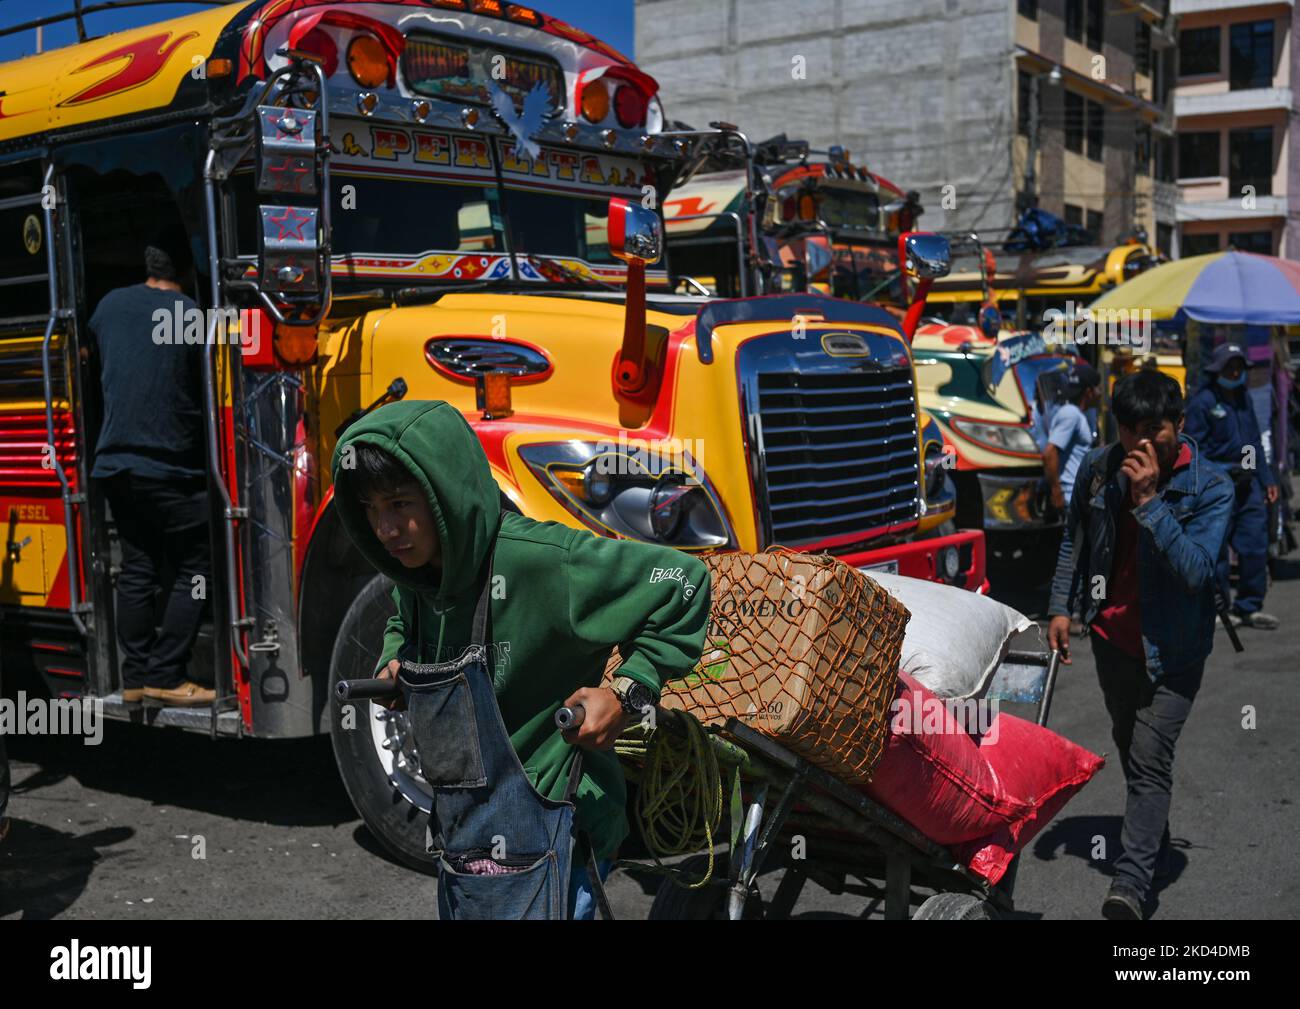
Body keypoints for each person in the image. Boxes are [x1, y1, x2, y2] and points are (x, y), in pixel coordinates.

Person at [330, 400, 709, 920]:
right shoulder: (418, 577)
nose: (386, 529)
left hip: (558, 837)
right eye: (371, 510)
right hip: (466, 844)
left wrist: (627, 693)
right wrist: (397, 661)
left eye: (399, 504)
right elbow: (400, 618)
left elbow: (683, 582)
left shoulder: (544, 562)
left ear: (446, 494)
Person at [1047, 371, 1232, 920]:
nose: (1141, 445)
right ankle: (1152, 828)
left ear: (1181, 425)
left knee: (1151, 758)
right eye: (1130, 431)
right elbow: (1073, 536)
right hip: (1112, 640)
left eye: (1156, 431)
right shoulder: (1101, 467)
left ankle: (1129, 885)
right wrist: (1061, 606)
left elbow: (1196, 572)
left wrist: (1150, 500)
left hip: (1174, 652)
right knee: (1131, 749)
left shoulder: (1211, 486)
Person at [90, 244, 214, 707]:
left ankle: (135, 679)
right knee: (196, 566)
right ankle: (167, 673)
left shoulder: (108, 305)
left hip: (114, 465)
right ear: (186, 270)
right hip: (168, 465)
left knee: (138, 568)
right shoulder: (189, 313)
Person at [1184, 342, 1280, 629]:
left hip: (1248, 484)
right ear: (1217, 370)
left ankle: (1250, 606)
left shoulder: (1244, 399)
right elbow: (1194, 448)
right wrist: (1215, 476)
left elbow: (1251, 442)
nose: (1236, 371)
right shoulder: (1203, 403)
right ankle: (1219, 609)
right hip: (1216, 485)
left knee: (1254, 545)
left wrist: (1265, 478)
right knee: (1217, 550)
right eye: (1230, 367)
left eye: (1239, 367)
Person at [1043, 360, 1101, 514]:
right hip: (1069, 498)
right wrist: (1057, 492)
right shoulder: (1071, 414)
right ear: (1089, 392)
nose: (1100, 393)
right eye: (1098, 387)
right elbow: (1049, 453)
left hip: (1078, 497)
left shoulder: (1078, 414)